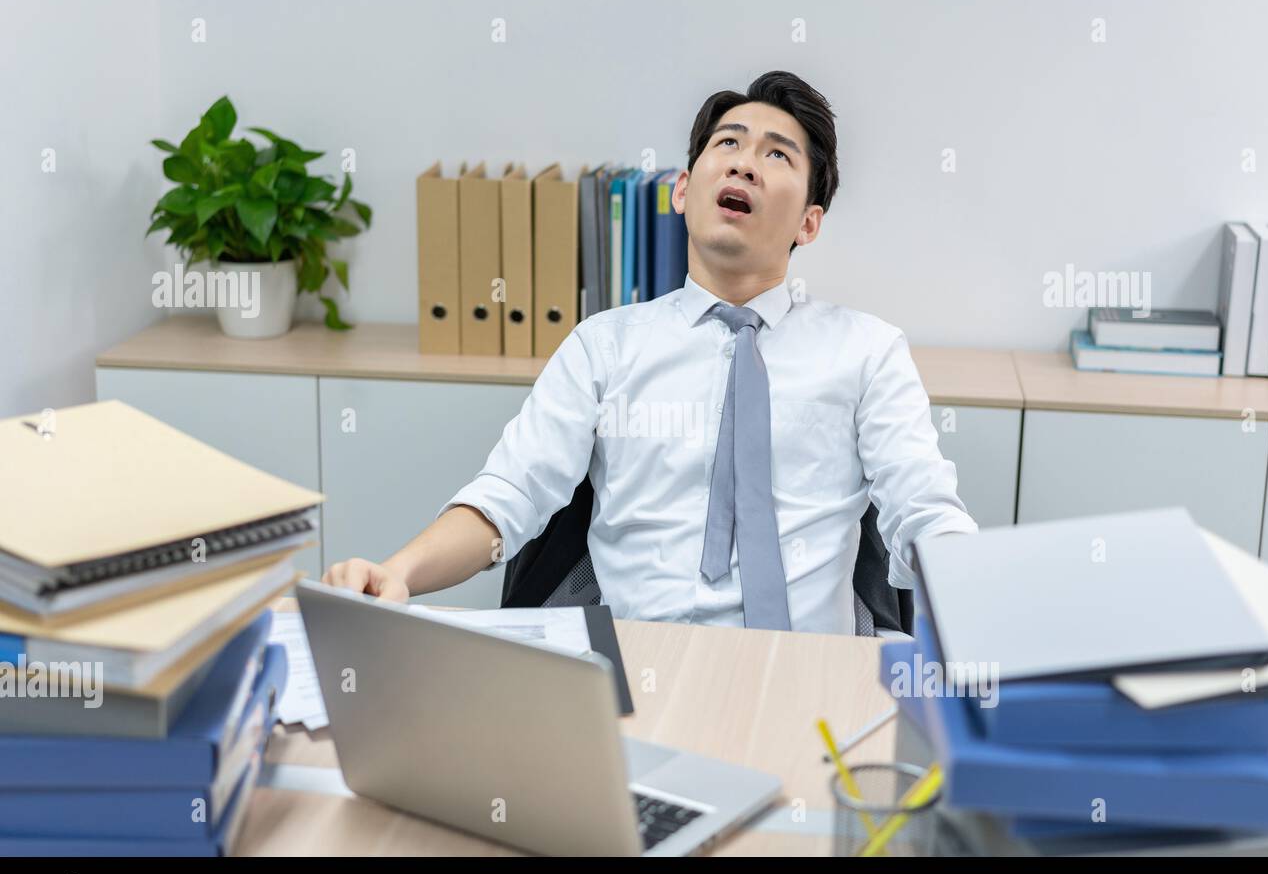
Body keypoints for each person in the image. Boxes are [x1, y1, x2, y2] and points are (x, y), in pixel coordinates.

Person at [324, 70, 976, 635]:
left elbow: (923, 506)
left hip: (805, 674)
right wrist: (397, 571)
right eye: (728, 144)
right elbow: (509, 494)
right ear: (682, 190)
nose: (745, 162)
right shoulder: (604, 345)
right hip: (638, 671)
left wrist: (977, 602)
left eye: (777, 156)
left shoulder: (865, 350)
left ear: (809, 221)